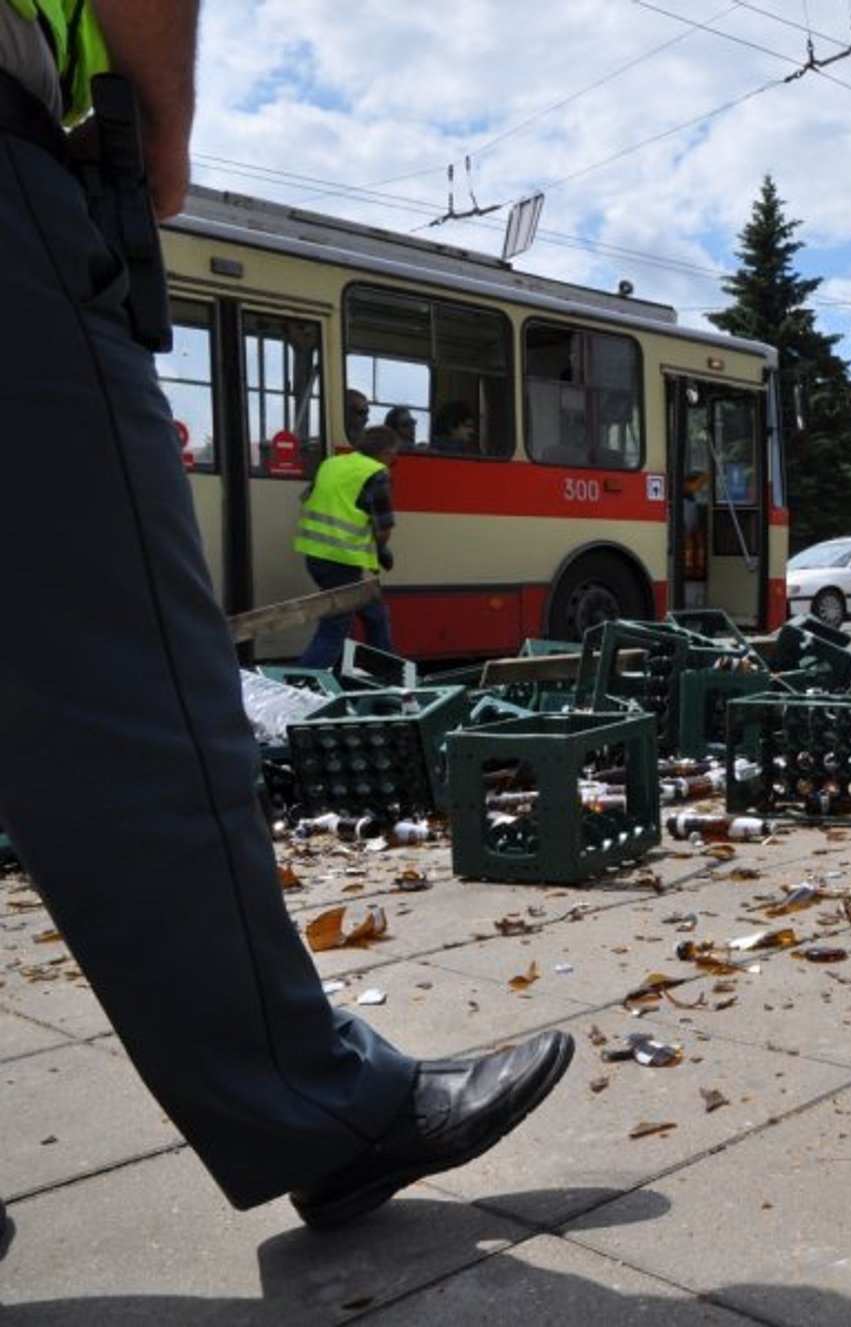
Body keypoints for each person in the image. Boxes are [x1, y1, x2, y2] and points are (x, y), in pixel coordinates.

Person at [0, 0, 571, 1253]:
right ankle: (317, 1104)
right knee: (130, 688)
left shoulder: (334, 465)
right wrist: (156, 137)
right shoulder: (366, 473)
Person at [296, 422, 399, 667]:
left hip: (316, 556)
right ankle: (299, 685)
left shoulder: (331, 464)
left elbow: (307, 497)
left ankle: (387, 672)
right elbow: (383, 527)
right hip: (340, 561)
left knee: (376, 615)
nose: (392, 463)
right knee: (334, 631)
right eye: (394, 458)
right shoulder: (376, 473)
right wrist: (381, 551)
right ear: (385, 453)